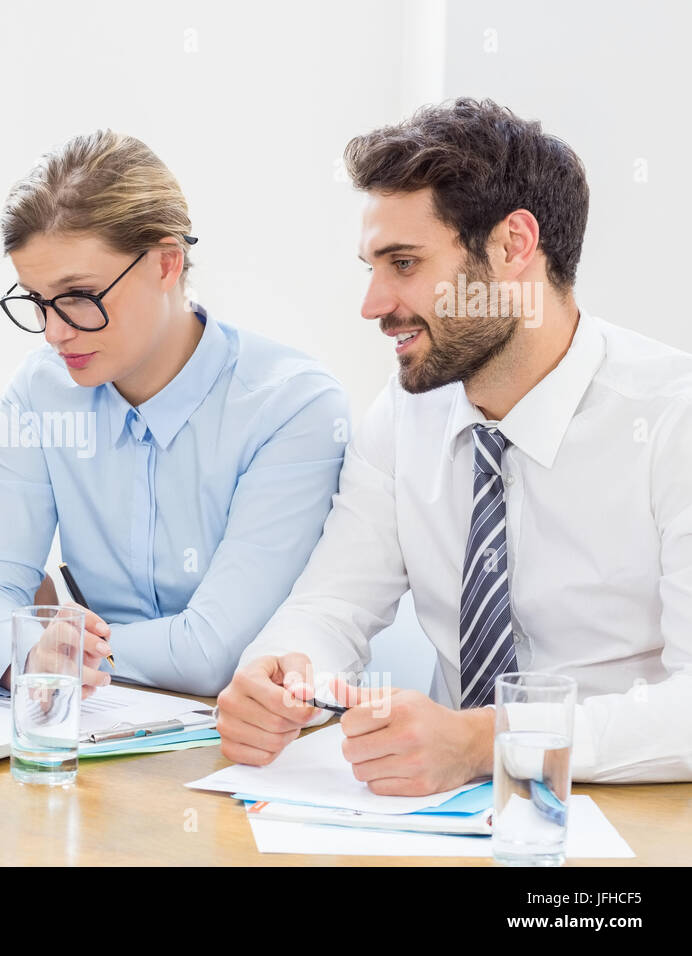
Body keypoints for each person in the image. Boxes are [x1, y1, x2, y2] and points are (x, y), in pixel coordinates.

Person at [217, 98, 692, 789]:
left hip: (639, 818)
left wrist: (485, 741)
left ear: (512, 247)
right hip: (453, 821)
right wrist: (284, 673)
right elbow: (333, 605)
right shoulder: (405, 413)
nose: (373, 305)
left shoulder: (672, 419)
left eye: (404, 263)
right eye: (371, 267)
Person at [0, 130, 350, 697]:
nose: (54, 332)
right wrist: (31, 654)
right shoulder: (41, 391)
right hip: (105, 732)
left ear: (165, 262)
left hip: (258, 747)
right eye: (35, 301)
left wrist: (58, 655)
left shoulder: (292, 407)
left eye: (79, 294)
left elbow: (213, 653)